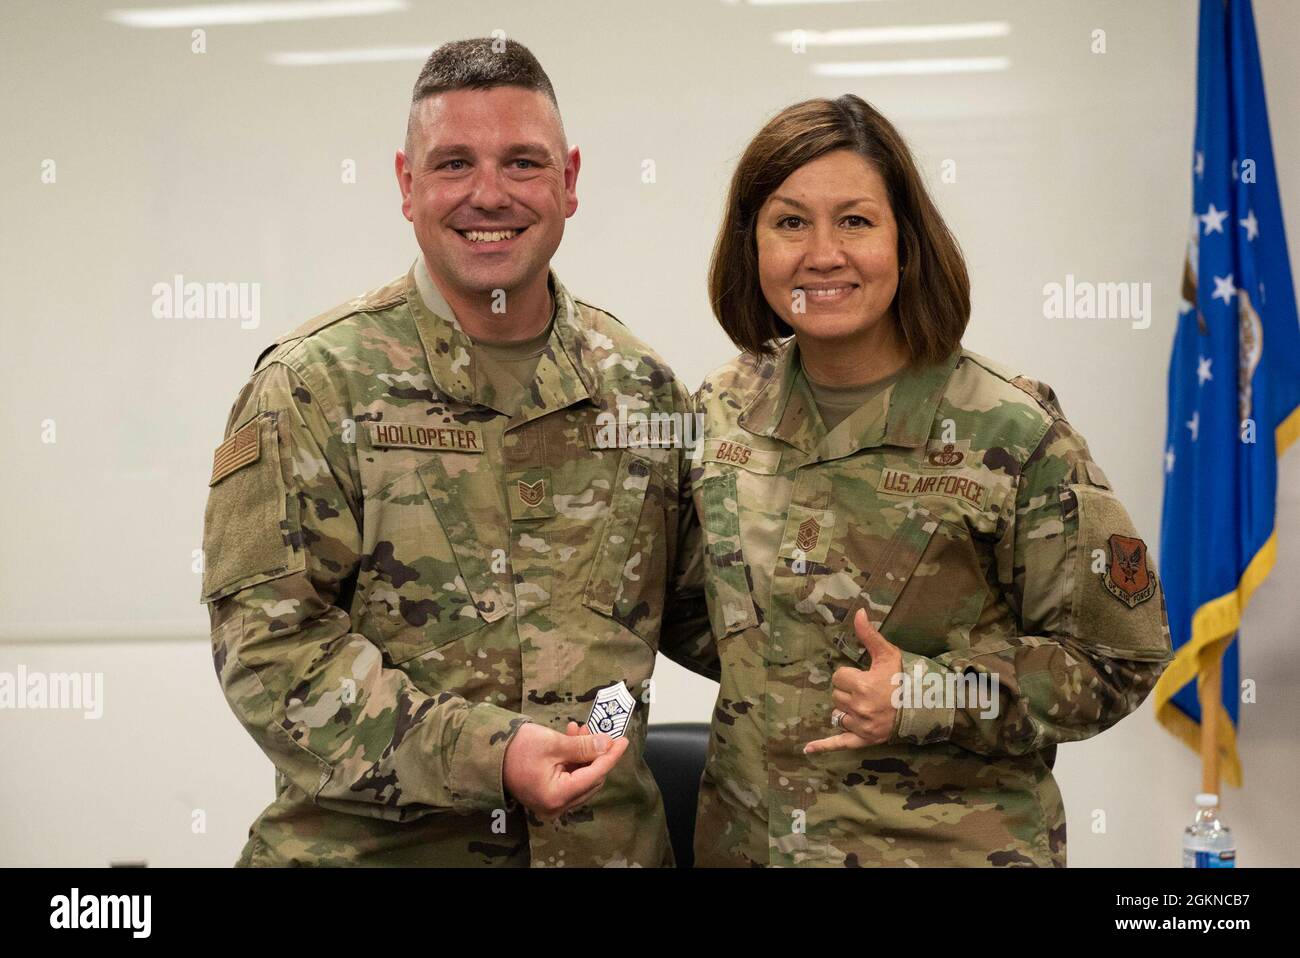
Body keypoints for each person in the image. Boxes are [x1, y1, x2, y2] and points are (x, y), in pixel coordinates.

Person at [199, 37, 714, 867]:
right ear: (408, 185)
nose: (489, 194)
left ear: (570, 181)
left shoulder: (644, 392)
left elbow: (701, 615)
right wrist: (495, 755)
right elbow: (271, 656)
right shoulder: (312, 388)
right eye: (453, 164)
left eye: (522, 162)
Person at [686, 94, 1173, 867]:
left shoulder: (1012, 431)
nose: (822, 253)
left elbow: (1119, 659)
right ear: (750, 245)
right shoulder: (719, 411)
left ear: (905, 244)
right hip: (751, 846)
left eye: (855, 220)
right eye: (789, 222)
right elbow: (689, 609)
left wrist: (930, 693)